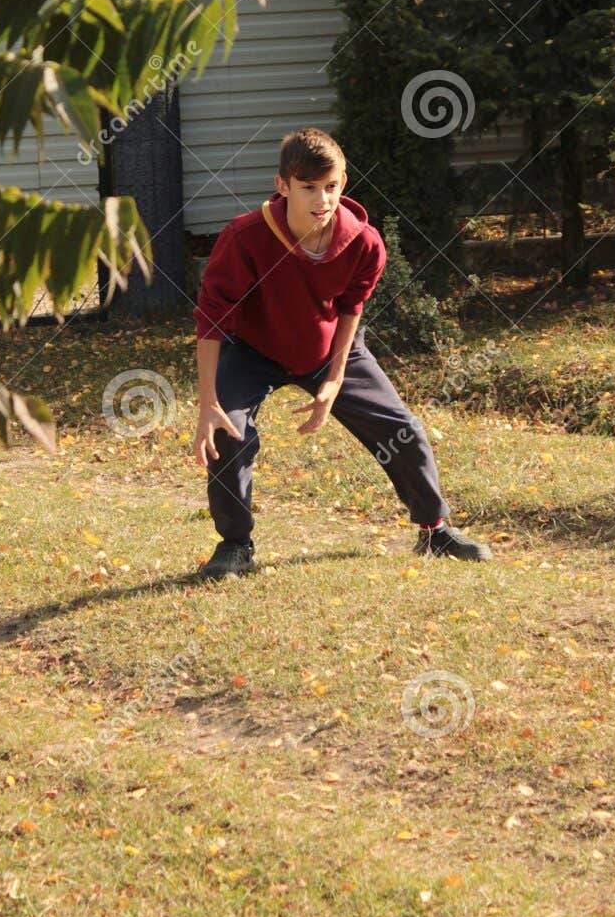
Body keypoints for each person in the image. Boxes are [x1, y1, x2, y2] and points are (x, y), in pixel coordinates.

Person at [191, 127, 493, 579]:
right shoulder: (244, 238)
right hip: (252, 349)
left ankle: (434, 529)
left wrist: (332, 381)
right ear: (282, 186)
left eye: (330, 186)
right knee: (228, 434)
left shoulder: (365, 242)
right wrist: (208, 404)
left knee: (402, 430)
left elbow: (352, 307)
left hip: (330, 347)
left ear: (343, 182)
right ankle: (236, 544)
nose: (322, 199)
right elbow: (212, 319)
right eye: (308, 187)